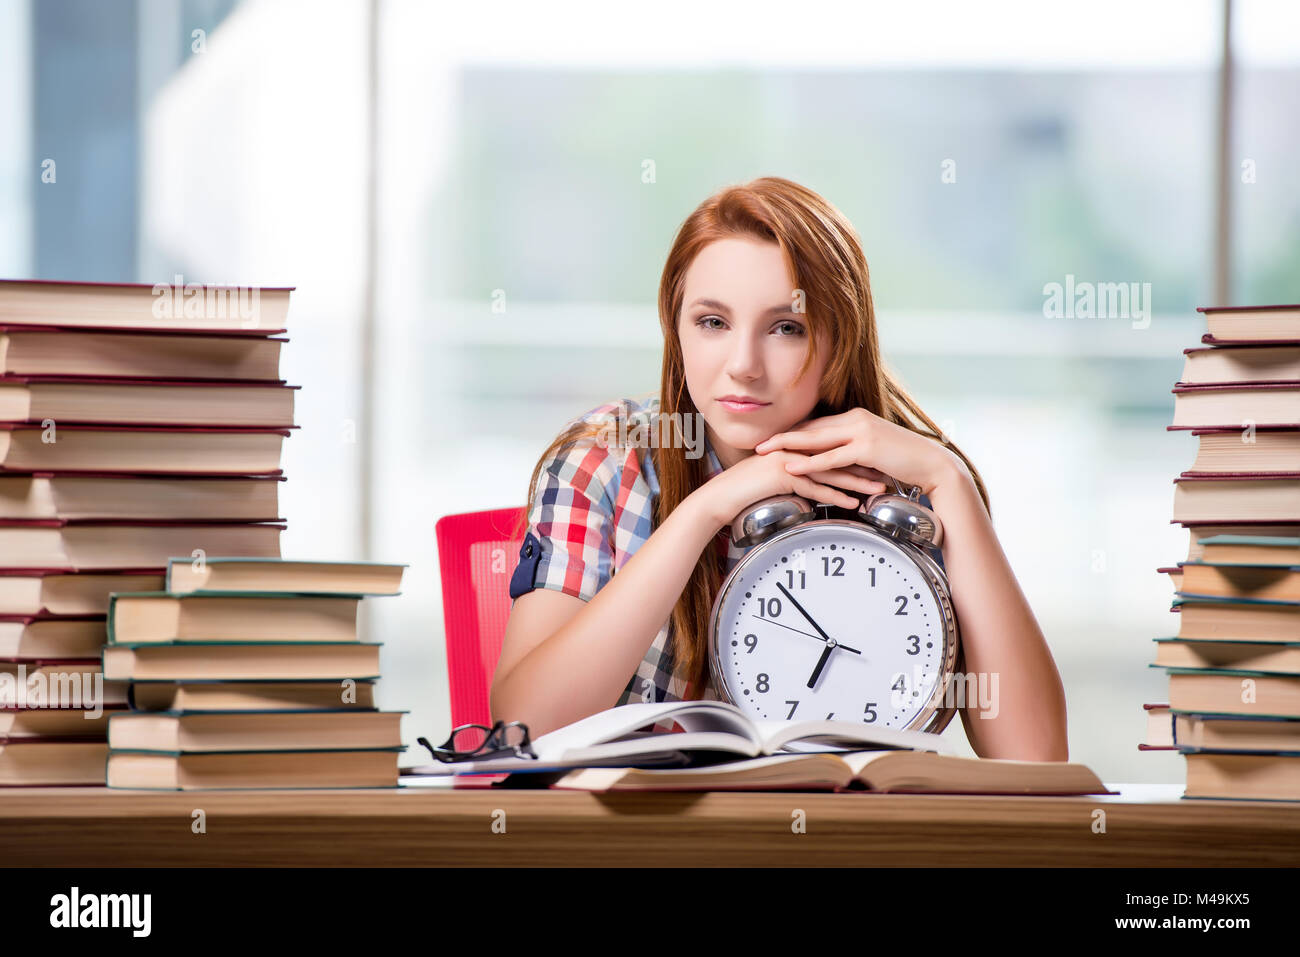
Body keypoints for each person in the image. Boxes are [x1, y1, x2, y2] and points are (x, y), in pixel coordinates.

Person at [491, 176, 1068, 761]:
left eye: (785, 328)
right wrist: (704, 511)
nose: (743, 366)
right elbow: (525, 726)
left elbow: (1036, 759)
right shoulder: (606, 459)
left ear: (839, 338)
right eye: (712, 322)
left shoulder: (913, 484)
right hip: (646, 843)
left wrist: (953, 483)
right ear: (676, 328)